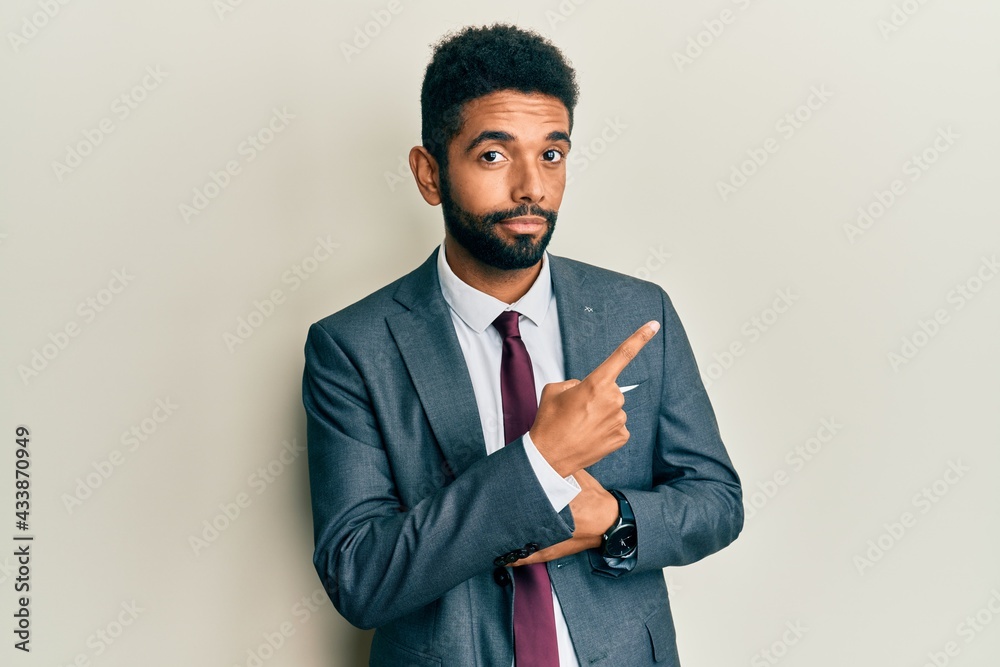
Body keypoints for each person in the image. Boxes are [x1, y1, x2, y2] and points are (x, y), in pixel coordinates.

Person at [302, 23, 743, 666]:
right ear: (429, 174)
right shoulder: (351, 348)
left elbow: (716, 501)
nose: (531, 186)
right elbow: (360, 577)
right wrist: (540, 462)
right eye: (494, 155)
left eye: (552, 154)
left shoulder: (638, 313)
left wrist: (612, 520)